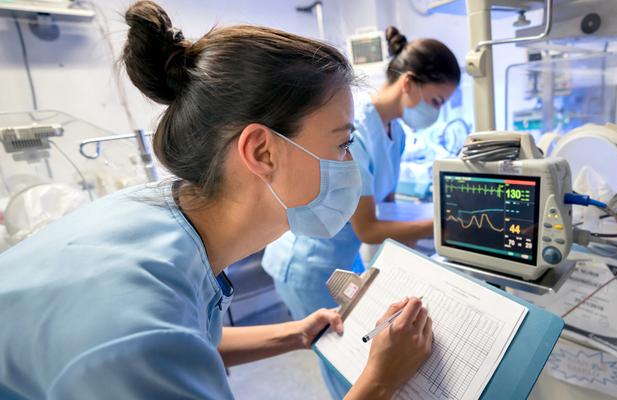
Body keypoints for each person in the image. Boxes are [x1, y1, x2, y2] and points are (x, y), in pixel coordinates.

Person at [0, 2, 432, 399]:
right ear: (262, 152)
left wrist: (295, 334)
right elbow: (153, 340)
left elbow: (189, 338)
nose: (351, 161)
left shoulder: (165, 216)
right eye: (343, 142)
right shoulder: (130, 329)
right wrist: (379, 382)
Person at [261, 26, 459, 398]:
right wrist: (444, 228)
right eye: (435, 102)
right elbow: (368, 227)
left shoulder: (394, 132)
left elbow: (383, 203)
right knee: (348, 366)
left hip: (341, 257)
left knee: (364, 349)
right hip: (308, 262)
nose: (436, 112)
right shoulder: (359, 129)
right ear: (410, 83)